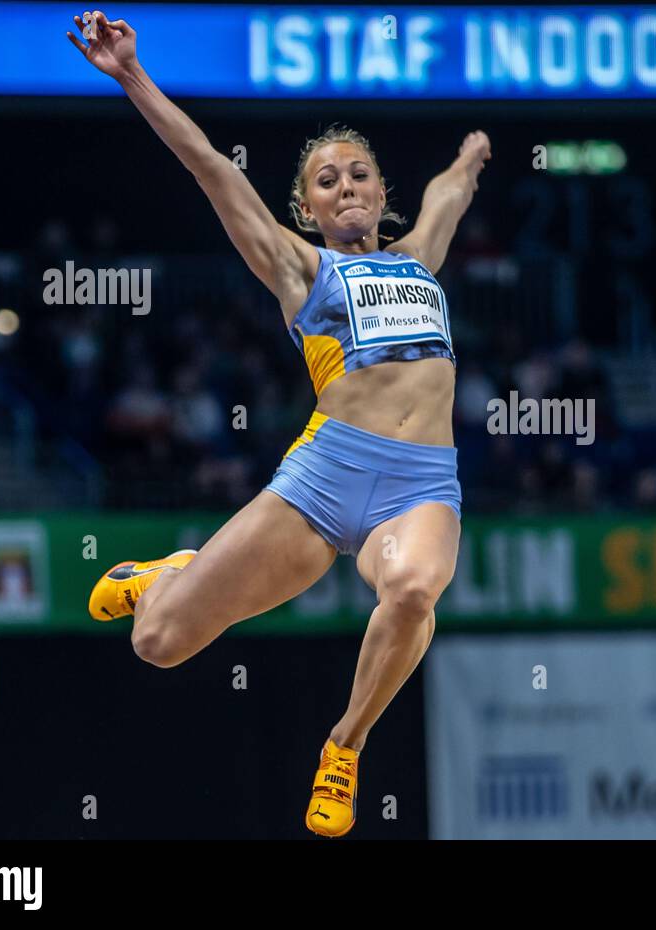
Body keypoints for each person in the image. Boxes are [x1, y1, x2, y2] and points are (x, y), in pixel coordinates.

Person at [68, 11, 490, 837]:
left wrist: (471, 158)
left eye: (358, 175)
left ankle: (344, 746)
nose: (345, 188)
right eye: (326, 182)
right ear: (306, 210)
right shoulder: (303, 270)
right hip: (324, 476)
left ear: (378, 192)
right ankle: (165, 576)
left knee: (412, 589)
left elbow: (446, 198)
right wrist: (131, 76)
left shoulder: (415, 262)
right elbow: (210, 169)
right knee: (156, 641)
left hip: (419, 485)